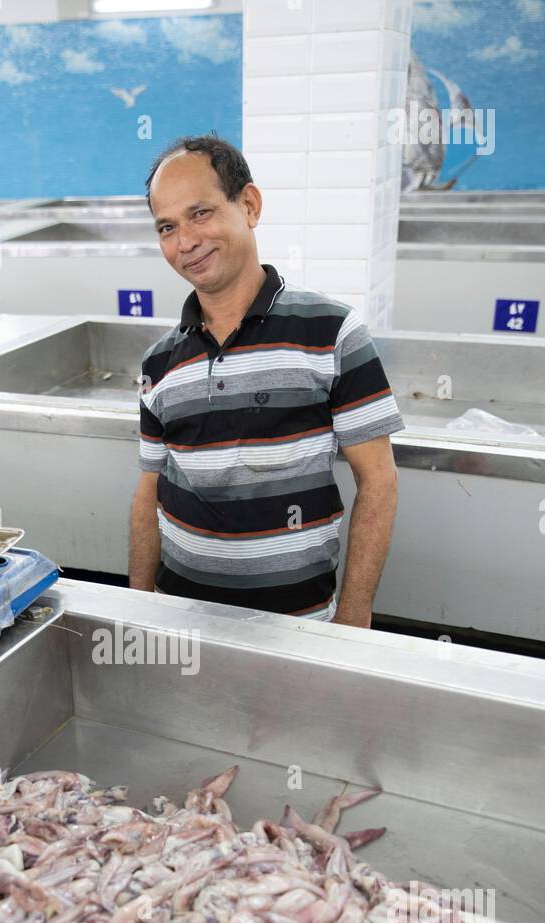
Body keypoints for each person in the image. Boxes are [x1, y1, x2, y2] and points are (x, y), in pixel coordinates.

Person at [128, 135, 402, 628]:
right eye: (166, 226)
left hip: (301, 623)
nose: (185, 241)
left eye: (201, 213)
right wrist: (139, 607)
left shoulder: (332, 332)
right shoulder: (158, 362)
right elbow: (149, 490)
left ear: (249, 205)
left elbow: (379, 480)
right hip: (180, 623)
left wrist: (355, 615)